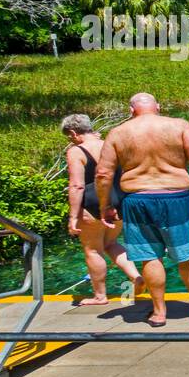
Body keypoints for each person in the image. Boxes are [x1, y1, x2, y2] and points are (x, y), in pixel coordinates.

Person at [96, 93, 189, 327]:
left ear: (131, 110)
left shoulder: (118, 133)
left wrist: (105, 205)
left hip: (136, 199)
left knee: (149, 256)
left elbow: (103, 174)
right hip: (175, 197)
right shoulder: (178, 126)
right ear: (158, 107)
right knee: (187, 253)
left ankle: (158, 312)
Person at [61, 114, 142, 306]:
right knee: (111, 242)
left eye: (69, 137)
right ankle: (136, 277)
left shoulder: (76, 152)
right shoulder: (112, 144)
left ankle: (100, 296)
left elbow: (77, 186)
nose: (70, 140)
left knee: (92, 249)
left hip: (92, 203)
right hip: (119, 200)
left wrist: (73, 217)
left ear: (74, 132)